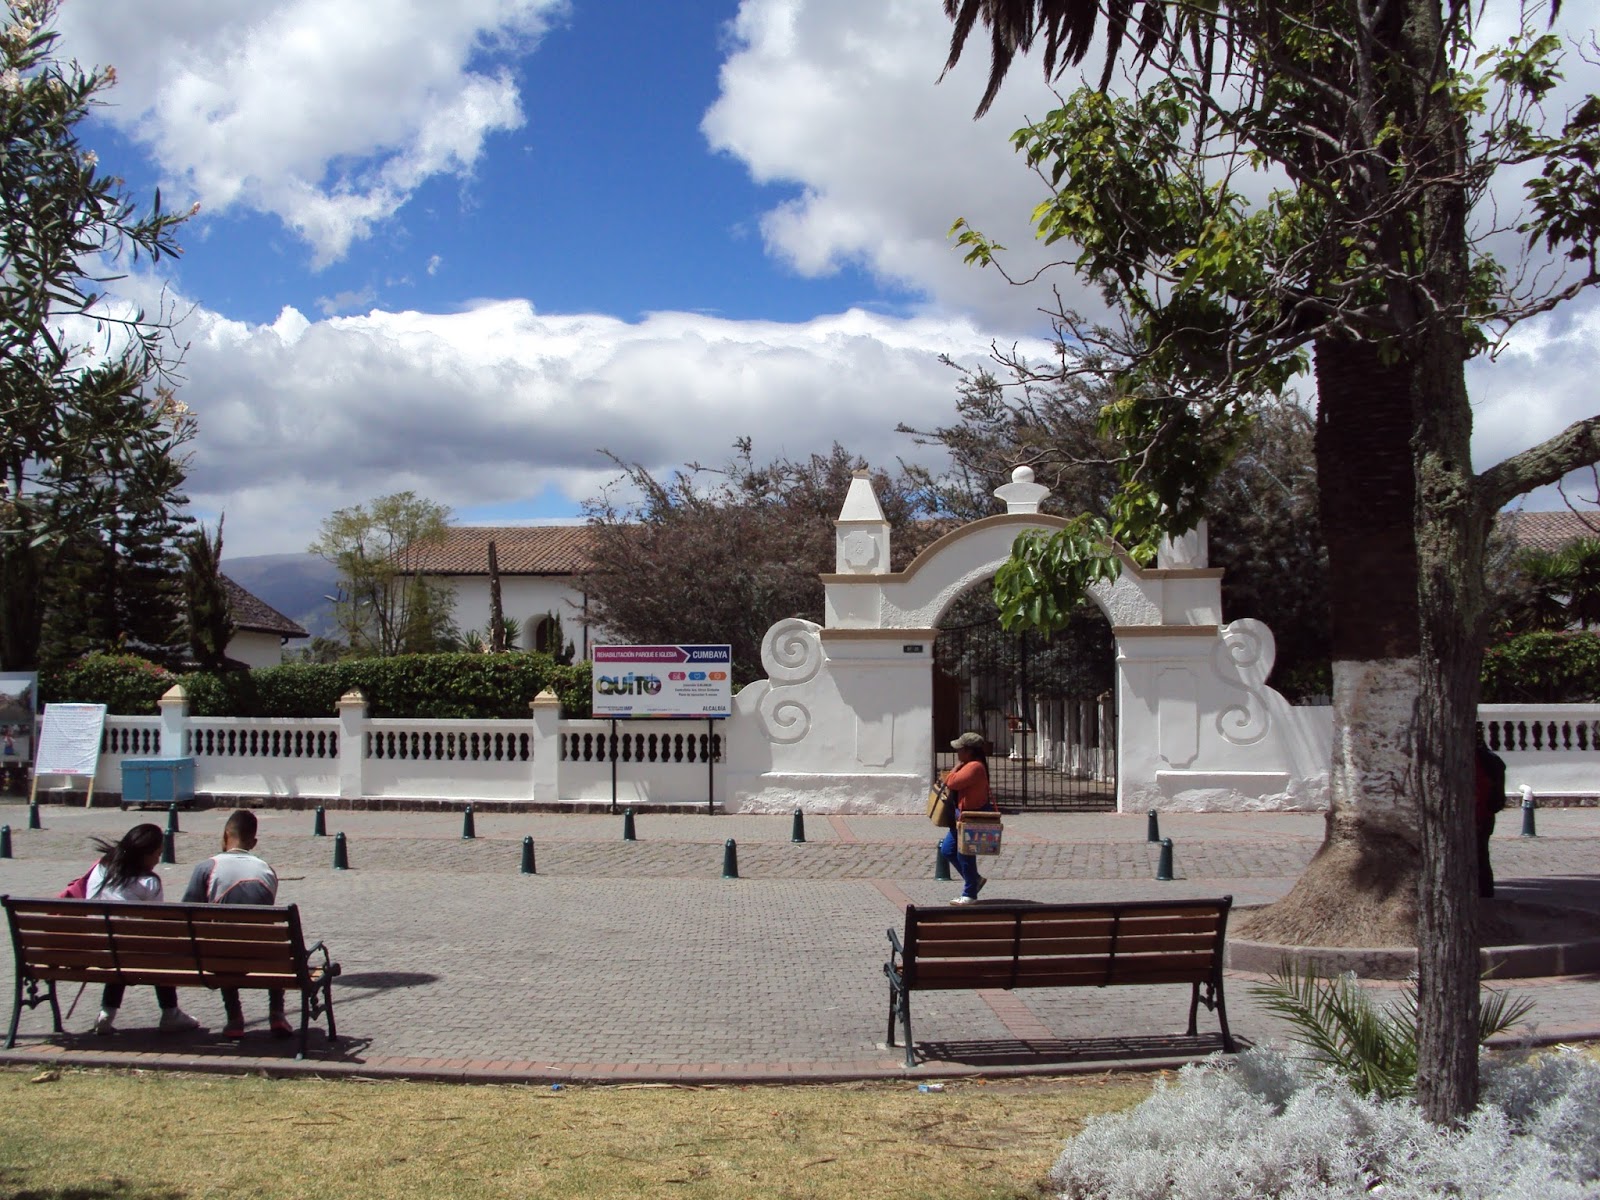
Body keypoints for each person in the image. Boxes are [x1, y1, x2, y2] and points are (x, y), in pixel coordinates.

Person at [181, 809, 291, 1038]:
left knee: (222, 941)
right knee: (267, 942)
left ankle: (234, 1018)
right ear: (254, 842)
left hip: (221, 958)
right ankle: (277, 1014)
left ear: (225, 836)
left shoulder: (206, 868)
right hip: (265, 957)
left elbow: (187, 913)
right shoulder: (267, 870)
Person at [87, 823, 202, 1035]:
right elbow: (155, 925)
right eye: (157, 854)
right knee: (161, 948)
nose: (158, 860)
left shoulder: (101, 869)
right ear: (144, 855)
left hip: (100, 950)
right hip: (133, 952)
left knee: (120, 947)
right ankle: (170, 1012)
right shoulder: (149, 882)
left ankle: (106, 1013)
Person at [939, 731, 995, 905]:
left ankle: (970, 894)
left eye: (960, 749)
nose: (957, 752)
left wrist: (955, 769)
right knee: (948, 849)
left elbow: (951, 782)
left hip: (971, 816)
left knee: (965, 854)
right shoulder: (968, 765)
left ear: (969, 751)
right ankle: (975, 879)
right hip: (961, 816)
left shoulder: (975, 767)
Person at [1475, 735, 1508, 899]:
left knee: (1479, 857)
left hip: (1478, 815)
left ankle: (1483, 894)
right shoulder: (1493, 760)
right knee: (1482, 856)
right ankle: (1485, 894)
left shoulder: (1477, 762)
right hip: (1486, 816)